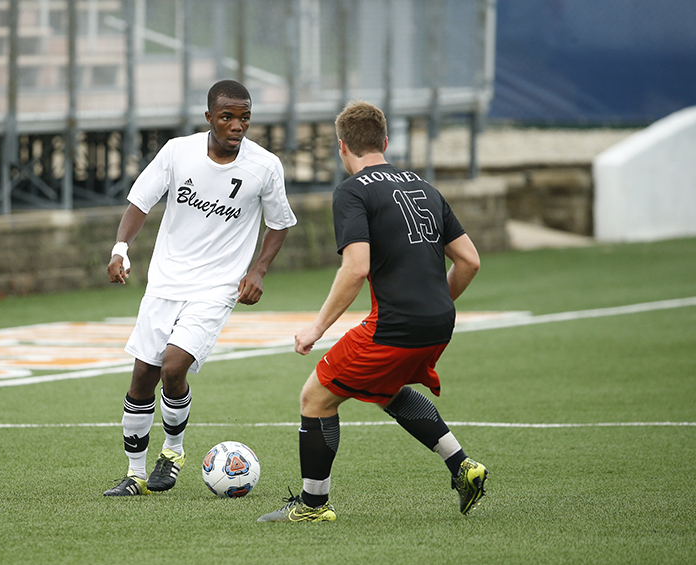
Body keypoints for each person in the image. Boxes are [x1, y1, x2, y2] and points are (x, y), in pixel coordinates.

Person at [257, 101, 486, 522]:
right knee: (386, 390)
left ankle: (312, 506)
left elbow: (356, 267)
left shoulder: (353, 191)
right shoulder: (423, 187)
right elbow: (469, 260)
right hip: (440, 321)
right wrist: (436, 305)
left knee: (317, 396)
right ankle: (463, 467)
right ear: (384, 141)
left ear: (342, 147)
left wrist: (316, 328)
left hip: (395, 325)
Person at [103, 79, 298, 496]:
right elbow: (141, 200)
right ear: (209, 117)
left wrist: (258, 270)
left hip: (217, 286)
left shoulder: (264, 166)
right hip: (166, 280)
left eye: (244, 117)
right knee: (142, 376)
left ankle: (172, 452)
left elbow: (279, 223)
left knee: (173, 367)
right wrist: (121, 248)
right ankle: (135, 473)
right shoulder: (178, 152)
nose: (236, 125)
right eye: (227, 116)